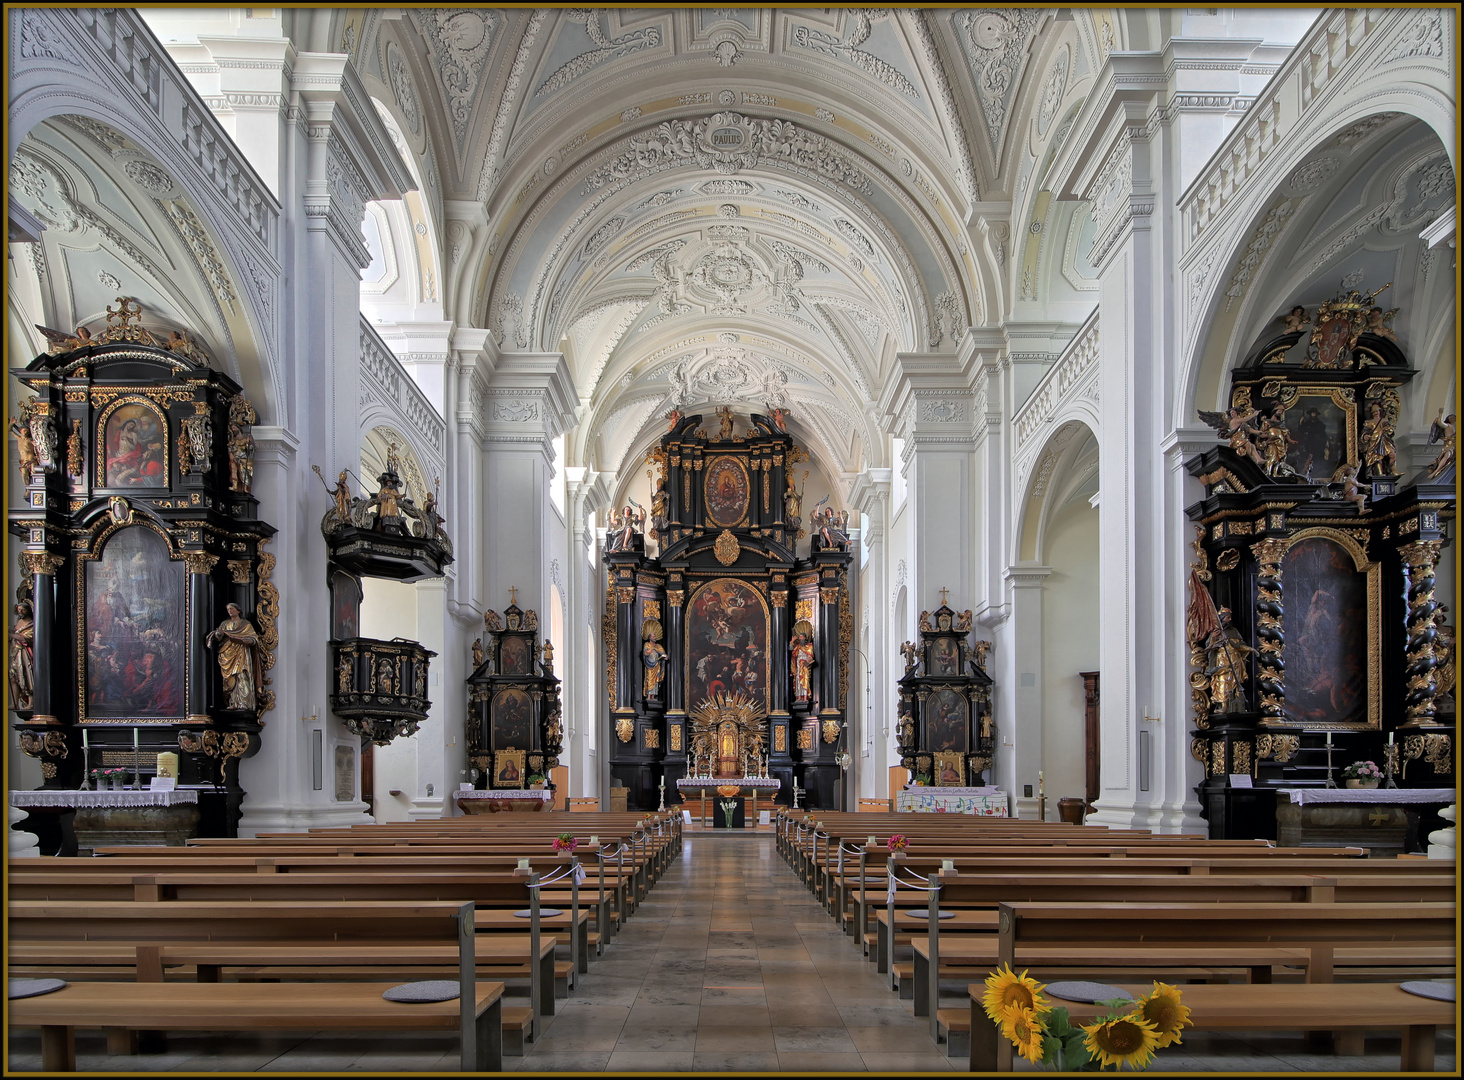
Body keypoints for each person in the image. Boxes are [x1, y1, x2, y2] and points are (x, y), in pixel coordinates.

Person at [207, 603, 264, 712]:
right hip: (228, 654)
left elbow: (253, 638)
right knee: (230, 679)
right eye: (228, 609)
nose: (230, 611)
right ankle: (233, 702)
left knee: (242, 677)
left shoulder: (246, 624)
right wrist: (218, 634)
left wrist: (248, 641)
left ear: (238, 611)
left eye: (232, 609)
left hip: (241, 652)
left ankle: (244, 703)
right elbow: (219, 638)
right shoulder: (225, 624)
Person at [9, 599, 35, 712]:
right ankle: (15, 702)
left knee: (27, 677)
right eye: (19, 610)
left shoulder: (32, 624)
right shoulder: (18, 623)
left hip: (26, 655)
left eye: (23, 610)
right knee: (12, 676)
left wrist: (11, 634)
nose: (20, 612)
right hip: (16, 653)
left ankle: (32, 702)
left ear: (28, 611)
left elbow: (24, 639)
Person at [1360, 402, 1396, 476]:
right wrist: (1364, 436)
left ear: (1380, 411)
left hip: (1384, 441)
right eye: (1373, 412)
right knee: (1377, 458)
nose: (1375, 413)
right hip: (1374, 442)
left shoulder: (1384, 421)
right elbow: (1364, 432)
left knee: (1392, 454)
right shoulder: (1369, 422)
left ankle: (1392, 471)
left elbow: (1390, 432)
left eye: (1377, 411)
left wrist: (1389, 430)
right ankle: (1379, 473)